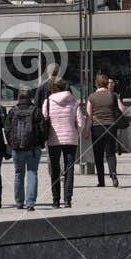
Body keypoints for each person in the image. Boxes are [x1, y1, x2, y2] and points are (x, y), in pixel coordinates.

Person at [42, 77, 87, 208]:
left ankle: (55, 200)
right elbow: (81, 122)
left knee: (55, 169)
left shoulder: (48, 102)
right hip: (71, 139)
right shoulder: (73, 101)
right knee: (69, 168)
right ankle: (67, 199)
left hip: (53, 139)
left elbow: (44, 119)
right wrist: (76, 132)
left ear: (52, 88)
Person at [4, 84, 48, 210]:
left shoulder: (13, 111)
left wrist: (11, 143)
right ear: (31, 96)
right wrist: (41, 142)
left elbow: (7, 129)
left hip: (17, 148)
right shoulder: (36, 110)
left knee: (18, 174)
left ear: (19, 96)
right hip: (33, 148)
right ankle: (30, 203)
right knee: (32, 173)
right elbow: (43, 129)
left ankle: (19, 202)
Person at [86, 74, 124, 188]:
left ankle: (101, 181)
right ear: (107, 83)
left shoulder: (91, 97)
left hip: (97, 128)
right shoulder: (113, 95)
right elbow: (122, 109)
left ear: (96, 83)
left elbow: (89, 115)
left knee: (98, 155)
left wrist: (86, 130)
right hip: (111, 127)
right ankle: (113, 173)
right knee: (110, 153)